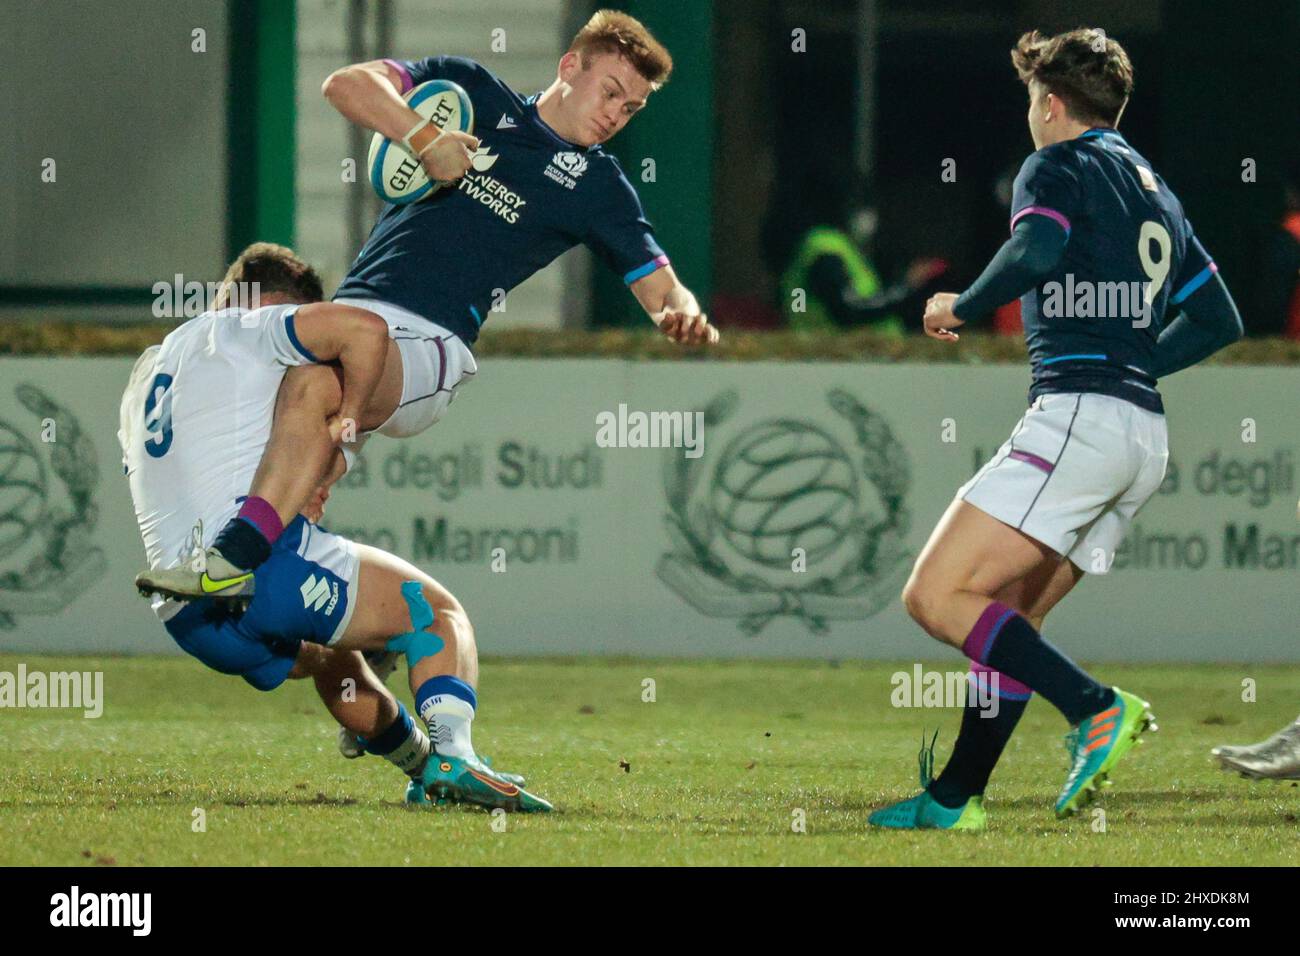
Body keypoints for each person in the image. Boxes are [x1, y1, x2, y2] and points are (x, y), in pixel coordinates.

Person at [135, 9, 719, 604]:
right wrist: (423, 138)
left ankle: (234, 559)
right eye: (611, 92)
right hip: (348, 322)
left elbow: (660, 282)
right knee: (287, 445)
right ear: (570, 66)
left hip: (426, 350)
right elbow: (346, 84)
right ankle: (318, 612)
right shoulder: (466, 92)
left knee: (321, 372)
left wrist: (682, 313)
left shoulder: (599, 186)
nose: (615, 115)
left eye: (630, 109)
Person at [870, 28, 1243, 830]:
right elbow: (1219, 317)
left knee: (936, 596)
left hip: (1079, 413)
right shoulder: (1156, 191)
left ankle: (1094, 706)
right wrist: (1136, 366)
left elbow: (1038, 246)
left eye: (1032, 102)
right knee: (1010, 613)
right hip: (1141, 433)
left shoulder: (1055, 164)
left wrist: (959, 305)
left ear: (1050, 102)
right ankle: (954, 799)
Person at [124, 244, 551, 812]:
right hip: (261, 569)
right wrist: (349, 415)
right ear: (278, 305)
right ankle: (456, 752)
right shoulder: (255, 327)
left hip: (187, 617)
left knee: (334, 658)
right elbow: (365, 330)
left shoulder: (149, 371)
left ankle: (424, 767)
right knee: (437, 614)